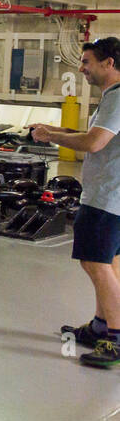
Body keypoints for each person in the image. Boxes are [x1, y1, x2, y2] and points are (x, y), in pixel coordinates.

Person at [29, 37, 120, 368]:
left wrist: (52, 137)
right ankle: (101, 326)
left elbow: (94, 143)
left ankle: (115, 337)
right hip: (113, 196)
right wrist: (54, 129)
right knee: (109, 264)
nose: (81, 69)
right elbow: (99, 136)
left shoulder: (117, 98)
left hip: (107, 197)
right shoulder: (112, 97)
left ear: (108, 63)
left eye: (86, 62)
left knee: (95, 264)